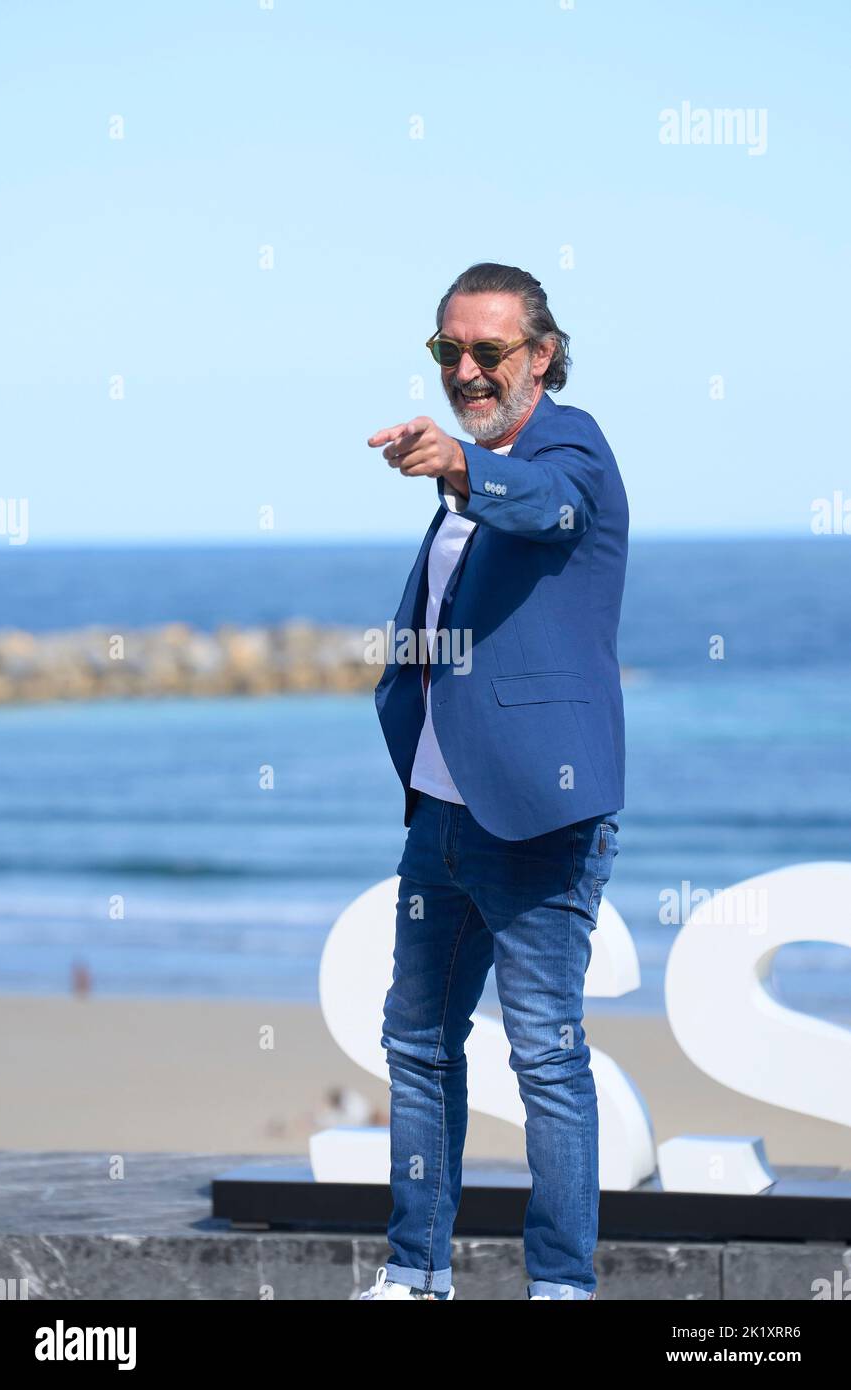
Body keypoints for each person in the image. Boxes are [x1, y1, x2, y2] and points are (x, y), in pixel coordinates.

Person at [361, 262, 627, 1301]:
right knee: (417, 1046)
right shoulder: (464, 481)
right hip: (440, 814)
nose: (466, 370)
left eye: (488, 351)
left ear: (540, 355)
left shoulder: (567, 448)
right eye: (448, 352)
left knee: (545, 1056)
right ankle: (413, 1271)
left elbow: (549, 508)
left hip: (538, 815)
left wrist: (463, 467)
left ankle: (560, 1286)